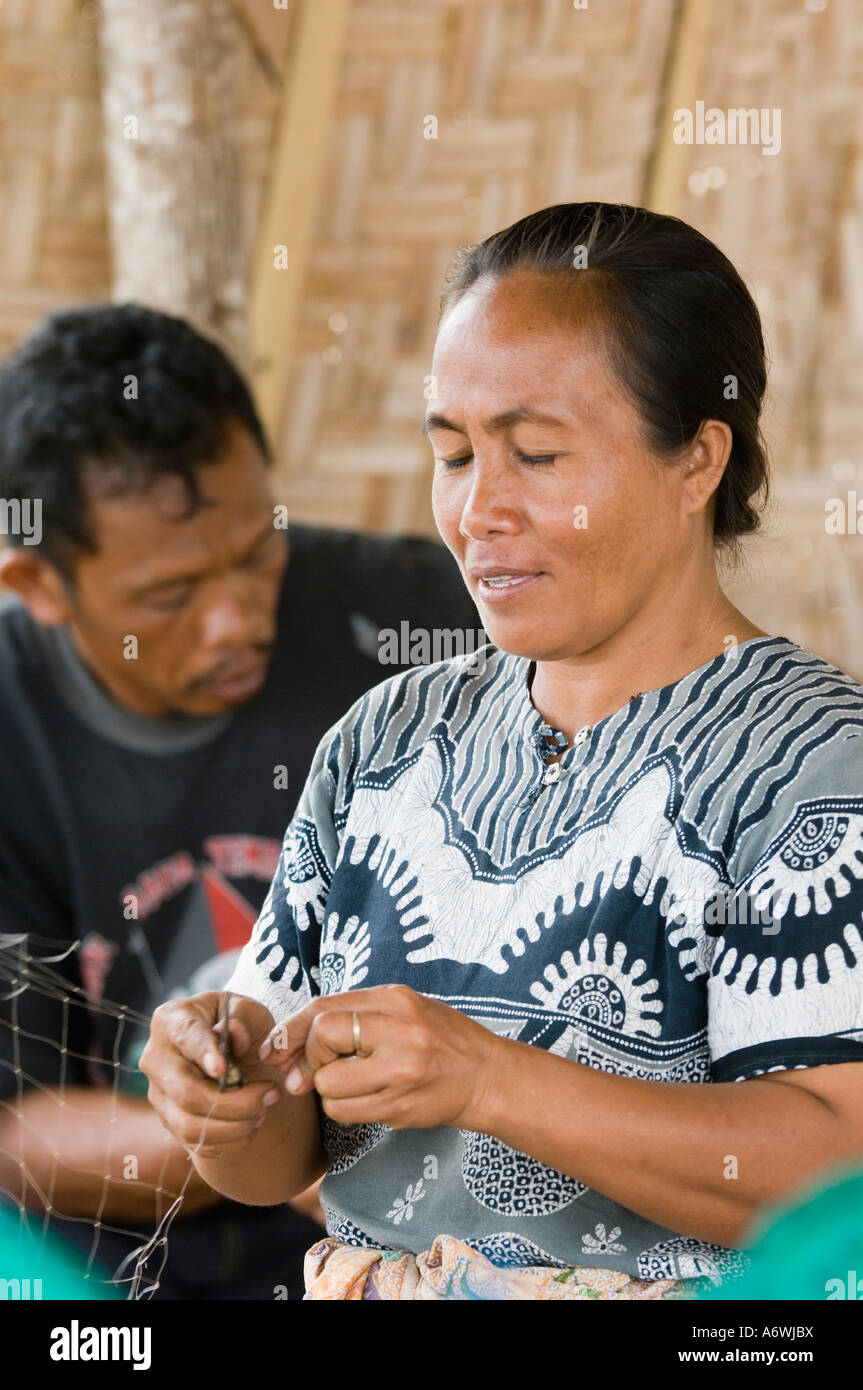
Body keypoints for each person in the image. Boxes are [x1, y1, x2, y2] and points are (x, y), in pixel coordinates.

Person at [141, 203, 863, 1301]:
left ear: (696, 460)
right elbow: (273, 1162)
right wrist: (224, 1097)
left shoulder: (805, 768)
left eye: (534, 453)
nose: (478, 508)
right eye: (451, 452)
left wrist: (486, 1078)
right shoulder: (381, 745)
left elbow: (834, 1175)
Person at [0, 303, 481, 1299]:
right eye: (169, 596)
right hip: (120, 1282)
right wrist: (283, 1143)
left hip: (436, 1250)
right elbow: (16, 1130)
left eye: (259, 551)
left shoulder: (425, 620)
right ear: (37, 583)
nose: (236, 621)